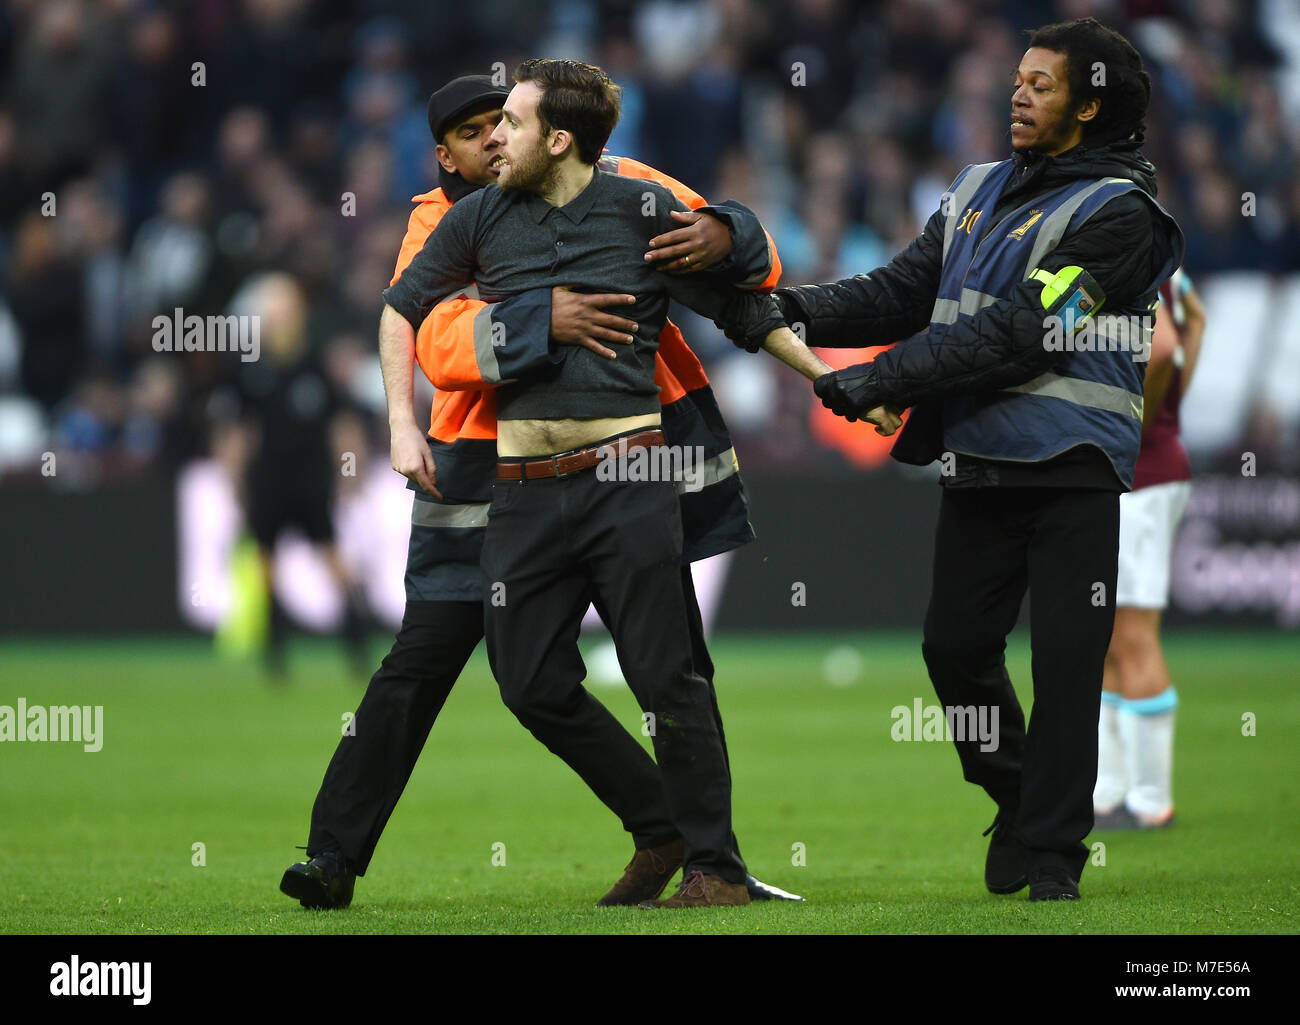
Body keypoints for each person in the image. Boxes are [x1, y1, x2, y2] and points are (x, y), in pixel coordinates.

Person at [281, 72, 803, 910]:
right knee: (427, 661)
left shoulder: (615, 181)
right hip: (480, 466)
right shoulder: (439, 223)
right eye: (475, 130)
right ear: (442, 154)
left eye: (505, 121)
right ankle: (333, 854)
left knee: (670, 663)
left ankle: (712, 857)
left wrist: (725, 230)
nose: (493, 138)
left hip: (622, 453)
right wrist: (540, 317)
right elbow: (435, 340)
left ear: (549, 132)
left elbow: (750, 259)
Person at [762, 18, 1184, 899]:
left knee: (1069, 665)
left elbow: (1029, 333)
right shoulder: (978, 187)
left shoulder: (1123, 217)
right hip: (981, 457)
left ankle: (1056, 863)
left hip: (1072, 465)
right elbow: (900, 292)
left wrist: (884, 379)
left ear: (1091, 104)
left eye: (1041, 82)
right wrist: (785, 306)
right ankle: (1016, 794)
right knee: (953, 649)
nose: (1017, 93)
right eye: (1019, 78)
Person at [1094, 269, 1204, 829]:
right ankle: (1110, 793)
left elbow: (1160, 349)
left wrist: (1134, 426)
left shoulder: (1129, 254)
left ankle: (1151, 801)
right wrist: (1168, 418)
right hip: (1156, 468)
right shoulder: (1165, 262)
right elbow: (1195, 322)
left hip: (1141, 477)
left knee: (1132, 638)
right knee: (1111, 637)